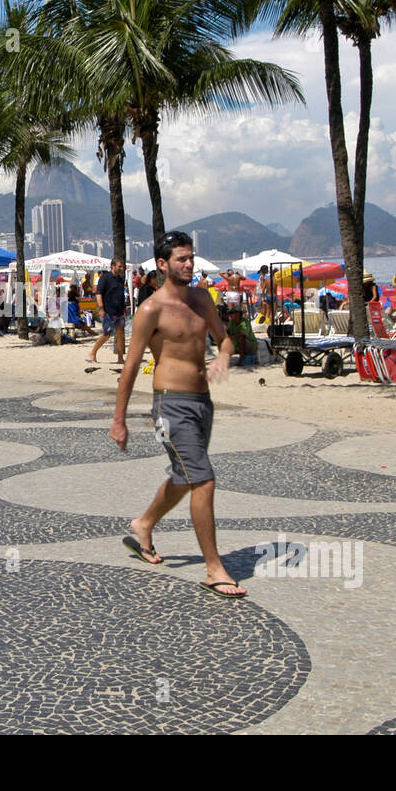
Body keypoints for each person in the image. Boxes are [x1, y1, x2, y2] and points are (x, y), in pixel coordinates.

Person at [110, 231, 243, 598]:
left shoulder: (202, 299)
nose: (189, 264)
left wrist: (223, 355)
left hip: (203, 403)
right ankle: (215, 569)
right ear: (162, 265)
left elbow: (225, 338)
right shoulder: (151, 310)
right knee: (203, 480)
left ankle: (144, 524)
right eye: (181, 259)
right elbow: (131, 368)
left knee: (185, 475)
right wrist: (119, 420)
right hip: (169, 406)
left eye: (191, 257)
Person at [88, 257, 128, 365]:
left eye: (122, 266)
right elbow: (98, 293)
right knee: (107, 334)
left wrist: (124, 308)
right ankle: (93, 353)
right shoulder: (105, 278)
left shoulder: (120, 279)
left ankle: (120, 358)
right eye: (119, 266)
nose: (121, 268)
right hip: (108, 311)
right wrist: (101, 308)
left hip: (119, 311)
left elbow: (120, 295)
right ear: (113, 266)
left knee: (120, 334)